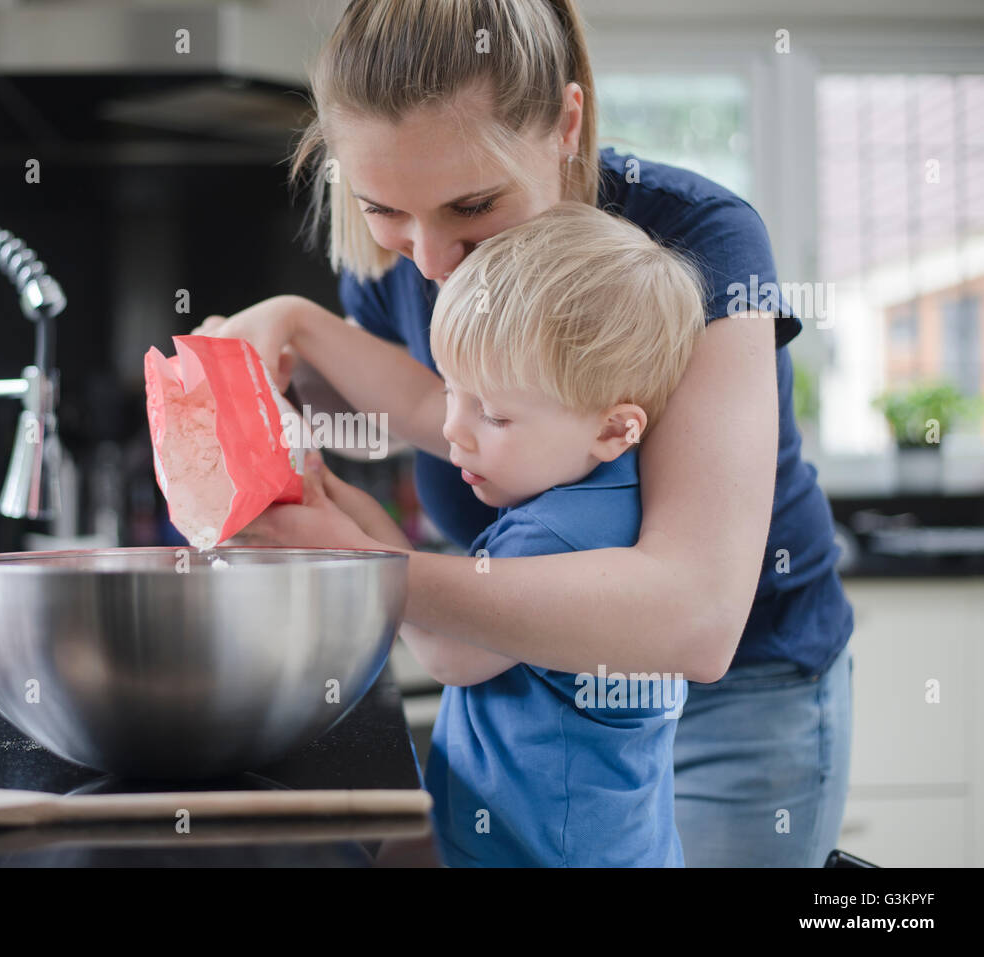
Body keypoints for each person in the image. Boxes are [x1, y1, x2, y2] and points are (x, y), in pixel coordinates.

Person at [195, 0, 853, 867]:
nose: (428, 260)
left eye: (472, 205)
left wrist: (364, 567)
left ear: (566, 126)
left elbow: (695, 620)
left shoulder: (697, 243)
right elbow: (447, 414)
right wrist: (291, 337)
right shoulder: (407, 255)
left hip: (742, 691)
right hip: (523, 693)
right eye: (383, 207)